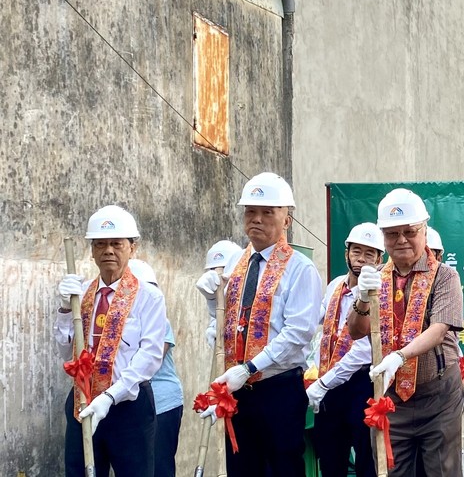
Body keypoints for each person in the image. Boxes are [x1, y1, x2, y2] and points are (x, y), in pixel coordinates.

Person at [194, 172, 323, 476]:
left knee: (282, 467)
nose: (257, 219)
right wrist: (214, 304)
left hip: (277, 388)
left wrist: (249, 368)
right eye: (251, 212)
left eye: (268, 213)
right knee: (241, 467)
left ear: (286, 219)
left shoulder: (299, 268)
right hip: (239, 392)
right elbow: (231, 326)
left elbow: (297, 332)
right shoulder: (237, 264)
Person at [347, 188, 464, 476]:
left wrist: (400, 356)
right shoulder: (376, 276)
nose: (401, 240)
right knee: (392, 470)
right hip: (391, 397)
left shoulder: (445, 275)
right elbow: (355, 331)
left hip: (437, 394)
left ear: (424, 230)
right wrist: (363, 297)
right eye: (391, 233)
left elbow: (438, 330)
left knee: (441, 470)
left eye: (409, 231)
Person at [56, 205, 168, 477]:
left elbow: (151, 356)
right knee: (80, 471)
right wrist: (63, 310)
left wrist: (109, 396)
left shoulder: (148, 297)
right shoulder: (80, 293)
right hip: (83, 401)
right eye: (101, 244)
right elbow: (66, 352)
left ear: (132, 248)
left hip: (127, 406)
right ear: (92, 250)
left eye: (117, 244)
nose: (108, 250)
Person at [306, 222, 385, 477]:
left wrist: (323, 384)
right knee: (330, 457)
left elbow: (363, 350)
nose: (361, 259)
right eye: (356, 251)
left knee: (365, 460)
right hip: (329, 386)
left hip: (360, 384)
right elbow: (314, 319)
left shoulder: (379, 292)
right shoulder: (335, 286)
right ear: (346, 253)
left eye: (369, 254)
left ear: (379, 258)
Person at [128, 259, 184, 477]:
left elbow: (151, 360)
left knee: (159, 466)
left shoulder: (160, 320)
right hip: (133, 403)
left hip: (162, 403)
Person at [202, 240, 243, 348]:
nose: (219, 274)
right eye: (213, 269)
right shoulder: (213, 291)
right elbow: (216, 316)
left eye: (224, 268)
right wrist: (213, 327)